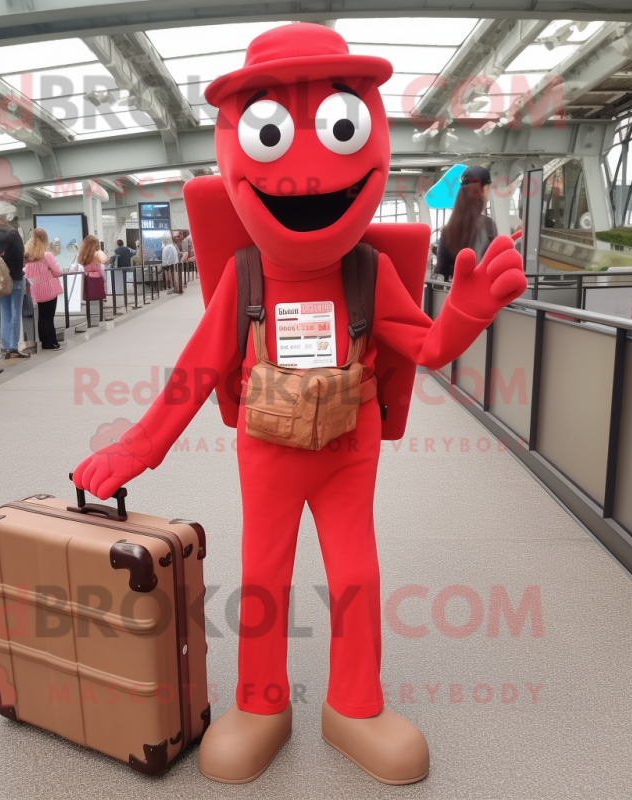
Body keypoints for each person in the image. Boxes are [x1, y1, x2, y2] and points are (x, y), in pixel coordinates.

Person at [73, 23, 526, 787]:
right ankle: (261, 703)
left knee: (358, 575)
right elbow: (195, 372)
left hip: (349, 447)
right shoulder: (245, 275)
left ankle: (355, 704)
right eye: (272, 132)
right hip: (270, 449)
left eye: (340, 126)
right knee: (265, 574)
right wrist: (136, 449)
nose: (312, 169)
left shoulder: (370, 271)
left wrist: (465, 314)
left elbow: (425, 346)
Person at [435, 165, 498, 280]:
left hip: (454, 292)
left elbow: (441, 270)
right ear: (483, 191)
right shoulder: (488, 225)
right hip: (481, 291)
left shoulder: (447, 231)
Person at [0, 208, 27, 360]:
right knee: (15, 313)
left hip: (0, 278)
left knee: (5, 313)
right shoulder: (13, 233)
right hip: (15, 277)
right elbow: (18, 255)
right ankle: (13, 347)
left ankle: (5, 347)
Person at [23, 228, 63, 350]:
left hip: (36, 290)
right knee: (49, 317)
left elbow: (26, 274)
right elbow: (57, 272)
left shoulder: (28, 256)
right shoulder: (47, 255)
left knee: (41, 316)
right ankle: (52, 342)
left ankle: (44, 342)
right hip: (49, 290)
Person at [77, 234, 109, 301]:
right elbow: (104, 260)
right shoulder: (97, 253)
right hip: (97, 277)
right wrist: (100, 252)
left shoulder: (81, 254)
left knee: (89, 296)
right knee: (98, 298)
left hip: (86, 277)